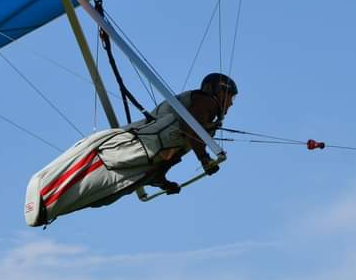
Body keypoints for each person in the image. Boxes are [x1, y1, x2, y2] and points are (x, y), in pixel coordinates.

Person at [23, 72, 239, 227]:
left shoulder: (205, 122)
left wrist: (163, 182)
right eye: (230, 97)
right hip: (129, 151)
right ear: (219, 91)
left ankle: (47, 209)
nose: (230, 104)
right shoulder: (205, 102)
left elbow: (168, 156)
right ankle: (44, 190)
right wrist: (204, 159)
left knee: (101, 197)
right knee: (93, 169)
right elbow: (189, 125)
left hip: (141, 166)